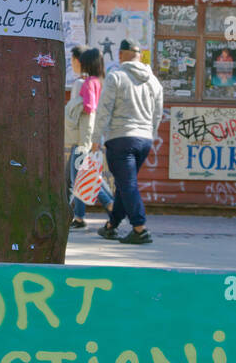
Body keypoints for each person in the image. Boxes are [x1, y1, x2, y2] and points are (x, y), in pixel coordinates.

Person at [92, 38, 163, 245]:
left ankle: (139, 229)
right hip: (144, 140)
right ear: (140, 56)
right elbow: (157, 114)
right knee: (124, 184)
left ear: (121, 55)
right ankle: (111, 226)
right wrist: (151, 134)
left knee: (128, 183)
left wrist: (96, 139)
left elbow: (104, 110)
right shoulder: (154, 82)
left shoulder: (116, 77)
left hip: (121, 139)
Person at [65, 47, 114, 228]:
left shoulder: (88, 83)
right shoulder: (100, 82)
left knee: (81, 176)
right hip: (93, 137)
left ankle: (110, 205)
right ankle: (78, 216)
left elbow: (89, 111)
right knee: (82, 175)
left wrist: (88, 141)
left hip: (85, 139)